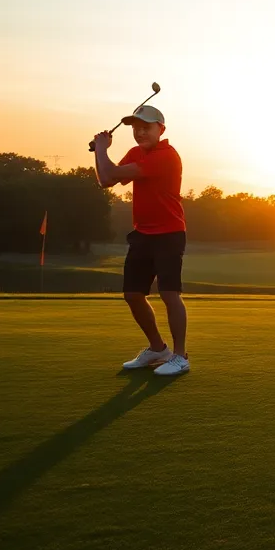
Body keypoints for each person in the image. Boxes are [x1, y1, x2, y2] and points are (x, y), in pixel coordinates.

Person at [92, 105, 190, 376]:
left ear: (161, 129)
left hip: (169, 233)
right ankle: (158, 348)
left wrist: (102, 149)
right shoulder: (136, 153)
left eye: (146, 127)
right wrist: (101, 153)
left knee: (169, 294)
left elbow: (110, 172)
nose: (139, 132)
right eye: (135, 128)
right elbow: (106, 181)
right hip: (143, 233)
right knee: (133, 295)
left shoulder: (166, 156)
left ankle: (180, 357)